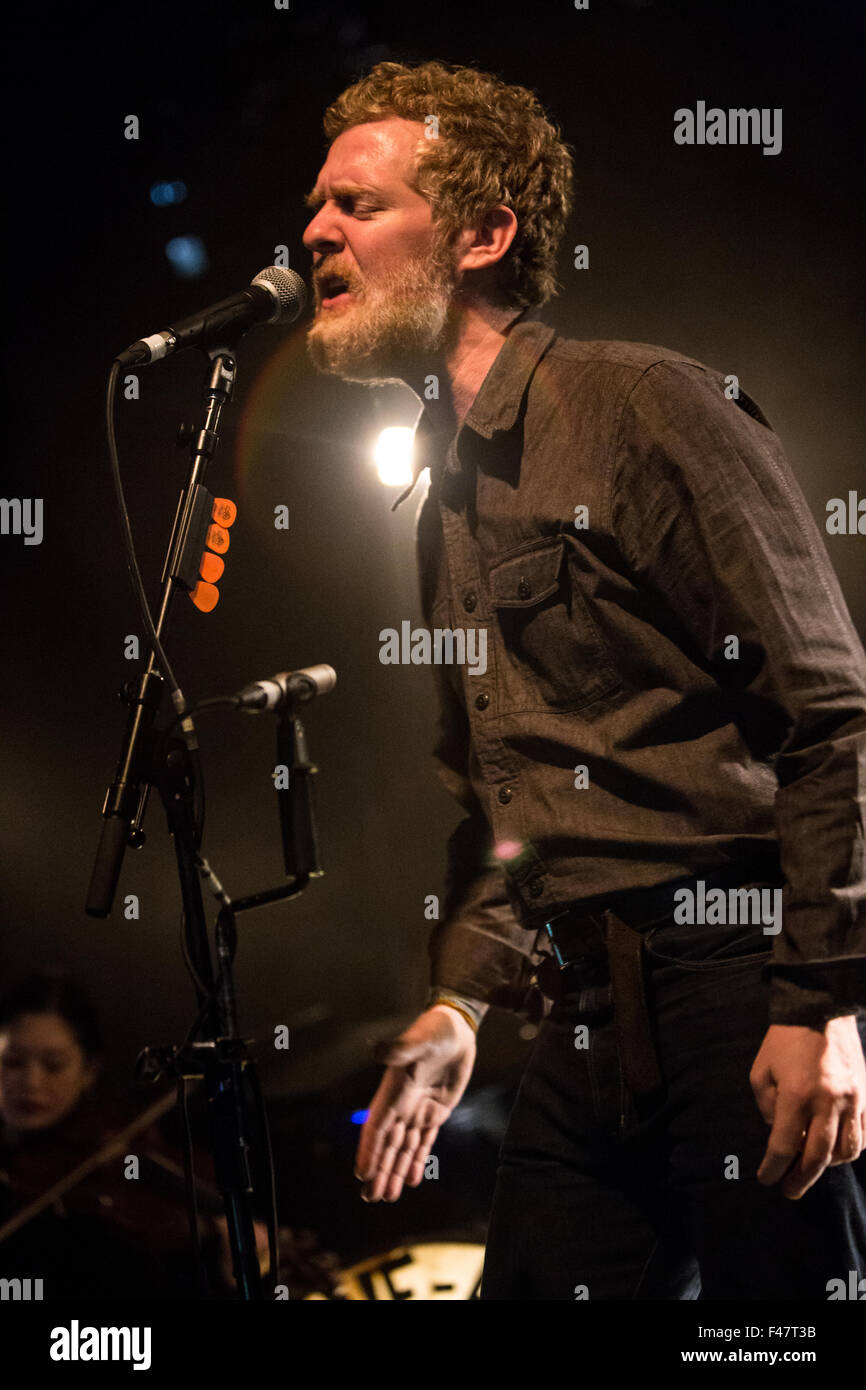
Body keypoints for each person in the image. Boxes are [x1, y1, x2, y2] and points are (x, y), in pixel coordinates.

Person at [300, 59, 866, 1299]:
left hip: (737, 981)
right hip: (579, 1011)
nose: (313, 232)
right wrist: (457, 1006)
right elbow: (509, 810)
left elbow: (830, 711)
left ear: (483, 233)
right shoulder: (438, 499)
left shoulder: (640, 405)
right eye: (317, 206)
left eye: (356, 204)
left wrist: (820, 1002)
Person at [0, 971, 336, 1299]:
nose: (31, 1082)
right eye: (13, 1061)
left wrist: (219, 1245)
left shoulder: (117, 1156)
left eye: (54, 1065)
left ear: (89, 1071)